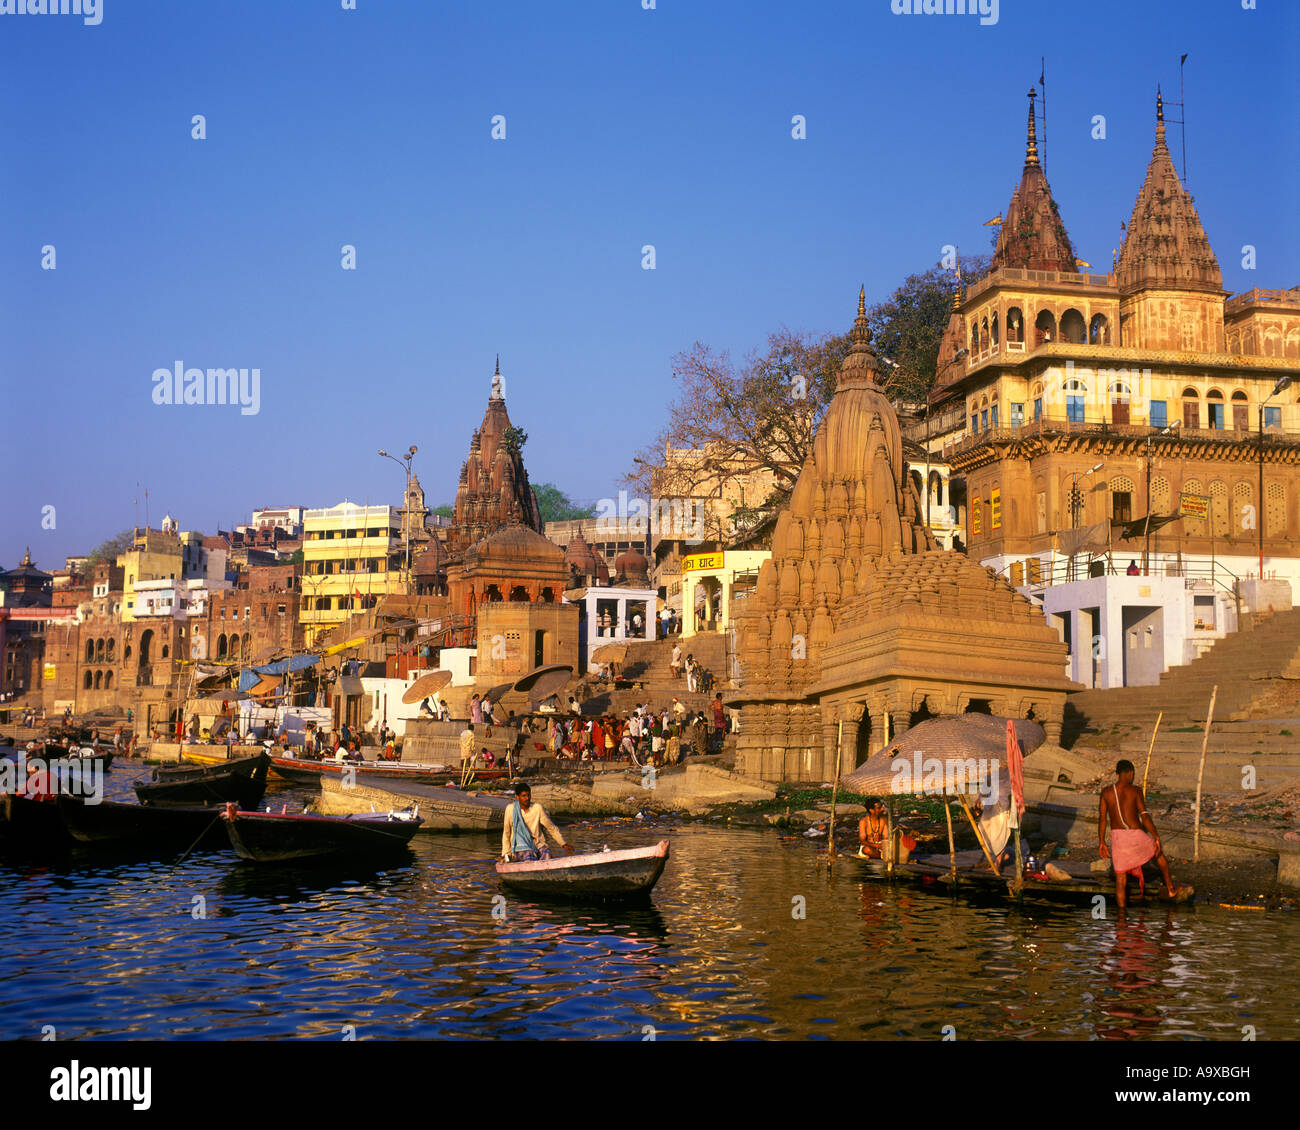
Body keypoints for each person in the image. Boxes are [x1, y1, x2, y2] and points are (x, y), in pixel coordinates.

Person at [1099, 758, 1190, 908]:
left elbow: (1102, 819)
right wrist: (1156, 836)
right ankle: (1171, 889)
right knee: (1158, 854)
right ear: (1130, 773)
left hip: (1118, 837)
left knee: (1120, 880)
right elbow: (1144, 815)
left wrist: (1101, 841)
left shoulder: (1106, 792)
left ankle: (1121, 921)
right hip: (1135, 834)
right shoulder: (1135, 790)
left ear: (1117, 774)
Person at [501, 782, 573, 862]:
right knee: (529, 855)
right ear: (517, 797)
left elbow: (551, 828)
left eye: (528, 795)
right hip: (519, 846)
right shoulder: (511, 809)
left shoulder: (537, 808)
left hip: (538, 844)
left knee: (547, 855)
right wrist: (505, 854)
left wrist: (563, 844)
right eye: (524, 796)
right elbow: (506, 833)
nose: (527, 798)